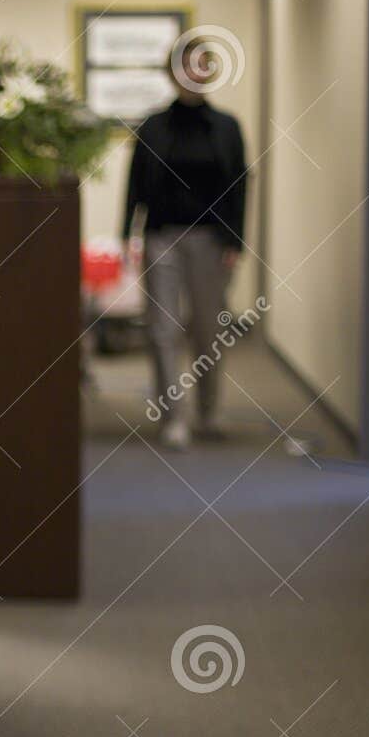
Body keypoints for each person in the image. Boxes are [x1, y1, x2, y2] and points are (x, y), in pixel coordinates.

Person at [122, 35, 250, 450]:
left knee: (209, 329)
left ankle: (208, 412)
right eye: (186, 64)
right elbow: (134, 183)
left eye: (202, 64)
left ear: (211, 71)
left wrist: (236, 240)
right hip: (162, 237)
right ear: (173, 73)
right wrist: (127, 233)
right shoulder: (153, 126)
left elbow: (239, 185)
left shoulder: (227, 127)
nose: (194, 72)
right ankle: (172, 418)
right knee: (162, 329)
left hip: (210, 240)